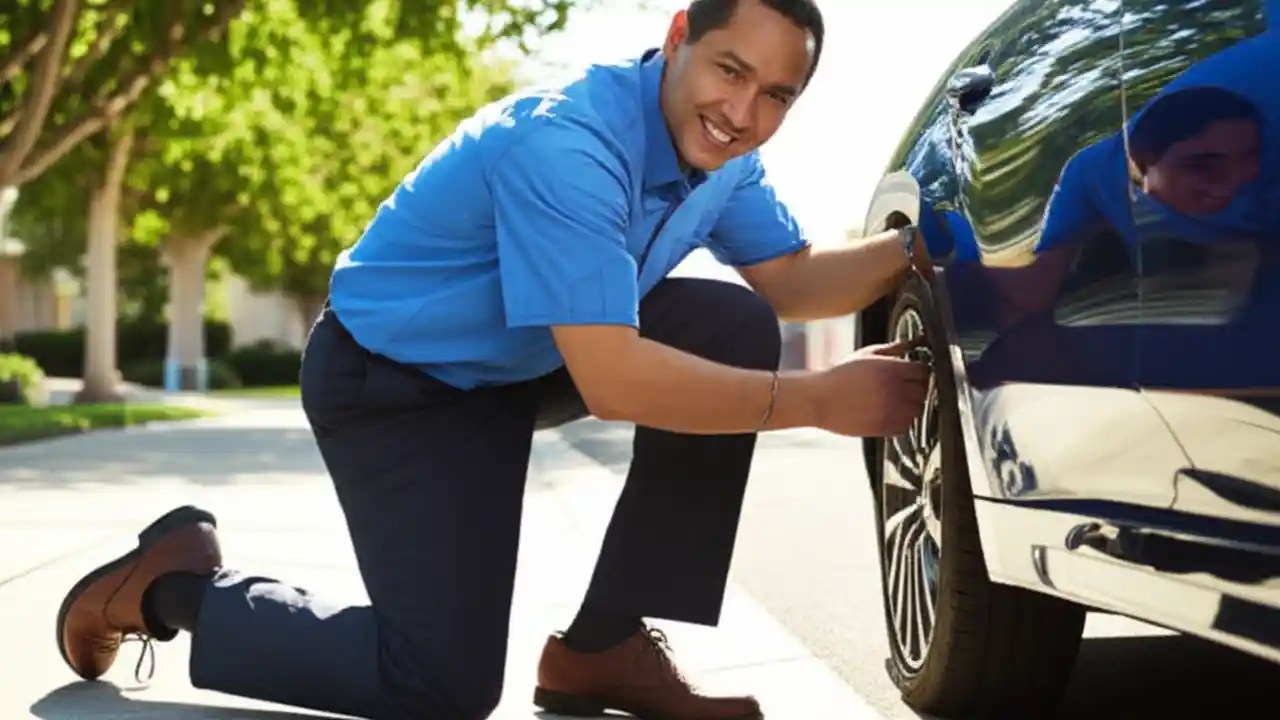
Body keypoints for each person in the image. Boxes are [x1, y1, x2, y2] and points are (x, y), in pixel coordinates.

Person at [54, 1, 931, 718]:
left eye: (776, 95)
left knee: (731, 322)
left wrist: (923, 247)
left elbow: (791, 280)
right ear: (676, 40)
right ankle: (168, 589)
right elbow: (615, 380)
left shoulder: (724, 158)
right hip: (394, 385)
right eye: (729, 71)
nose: (743, 114)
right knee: (439, 687)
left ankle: (603, 649)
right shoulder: (569, 147)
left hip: (518, 364)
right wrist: (819, 400)